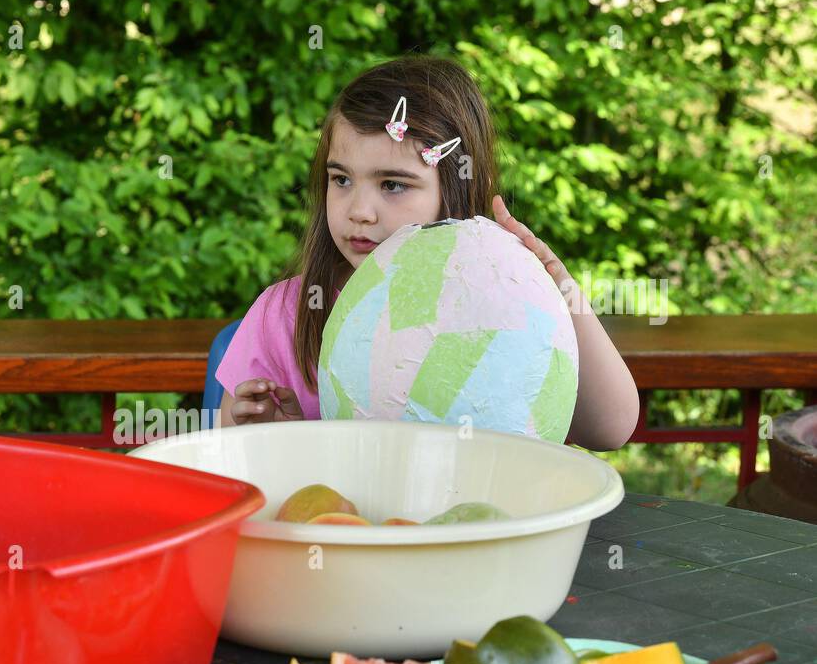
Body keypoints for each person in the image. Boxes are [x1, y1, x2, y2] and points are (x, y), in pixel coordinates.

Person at [216, 56, 639, 451]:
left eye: (393, 185)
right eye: (341, 179)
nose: (359, 212)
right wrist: (274, 437)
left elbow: (611, 429)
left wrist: (556, 283)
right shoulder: (284, 314)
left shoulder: (501, 306)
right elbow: (230, 455)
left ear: (457, 188)